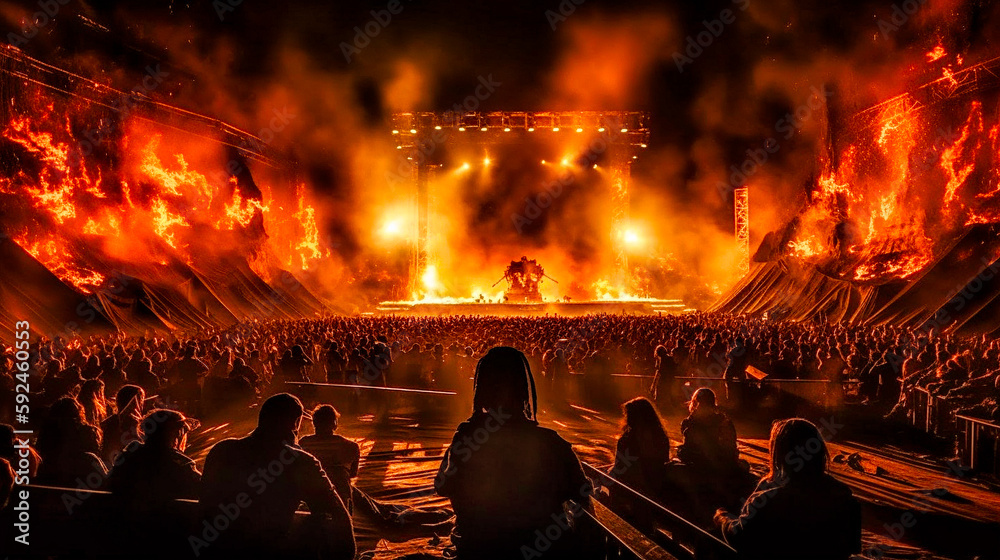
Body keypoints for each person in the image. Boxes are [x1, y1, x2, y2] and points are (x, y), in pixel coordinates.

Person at [435, 347, 593, 559]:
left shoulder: (467, 437)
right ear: (523, 389)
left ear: (482, 390)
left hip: (480, 548)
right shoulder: (551, 442)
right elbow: (581, 490)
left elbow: (443, 486)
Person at [198, 393, 355, 560]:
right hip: (266, 551)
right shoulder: (300, 461)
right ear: (296, 423)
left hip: (213, 549)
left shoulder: (220, 450)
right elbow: (338, 515)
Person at [714, 418, 862, 560]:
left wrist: (722, 518)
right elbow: (853, 546)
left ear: (781, 455)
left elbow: (738, 536)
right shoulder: (845, 498)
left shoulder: (769, 502)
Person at [610, 397, 671, 533]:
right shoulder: (661, 436)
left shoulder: (628, 439)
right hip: (656, 483)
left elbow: (620, 468)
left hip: (634, 486)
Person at [298, 404, 360, 513]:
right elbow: (353, 474)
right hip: (340, 498)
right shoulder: (351, 446)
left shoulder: (304, 443)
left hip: (311, 498)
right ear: (334, 424)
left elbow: (298, 471)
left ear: (314, 423)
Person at [677, 388, 739, 472]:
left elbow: (687, 448)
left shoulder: (689, 422)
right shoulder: (724, 421)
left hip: (698, 462)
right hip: (720, 462)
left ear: (695, 403)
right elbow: (731, 448)